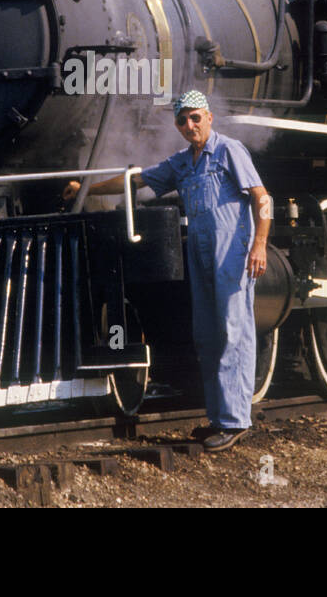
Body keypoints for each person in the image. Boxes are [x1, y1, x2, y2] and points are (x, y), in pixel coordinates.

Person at [62, 90, 271, 452]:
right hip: (201, 255)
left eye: (195, 117)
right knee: (207, 335)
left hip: (232, 254)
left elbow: (261, 196)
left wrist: (260, 244)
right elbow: (137, 181)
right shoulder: (181, 163)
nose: (190, 125)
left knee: (232, 332)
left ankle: (236, 421)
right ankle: (220, 418)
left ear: (209, 117)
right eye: (182, 120)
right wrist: (87, 189)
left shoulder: (229, 150)